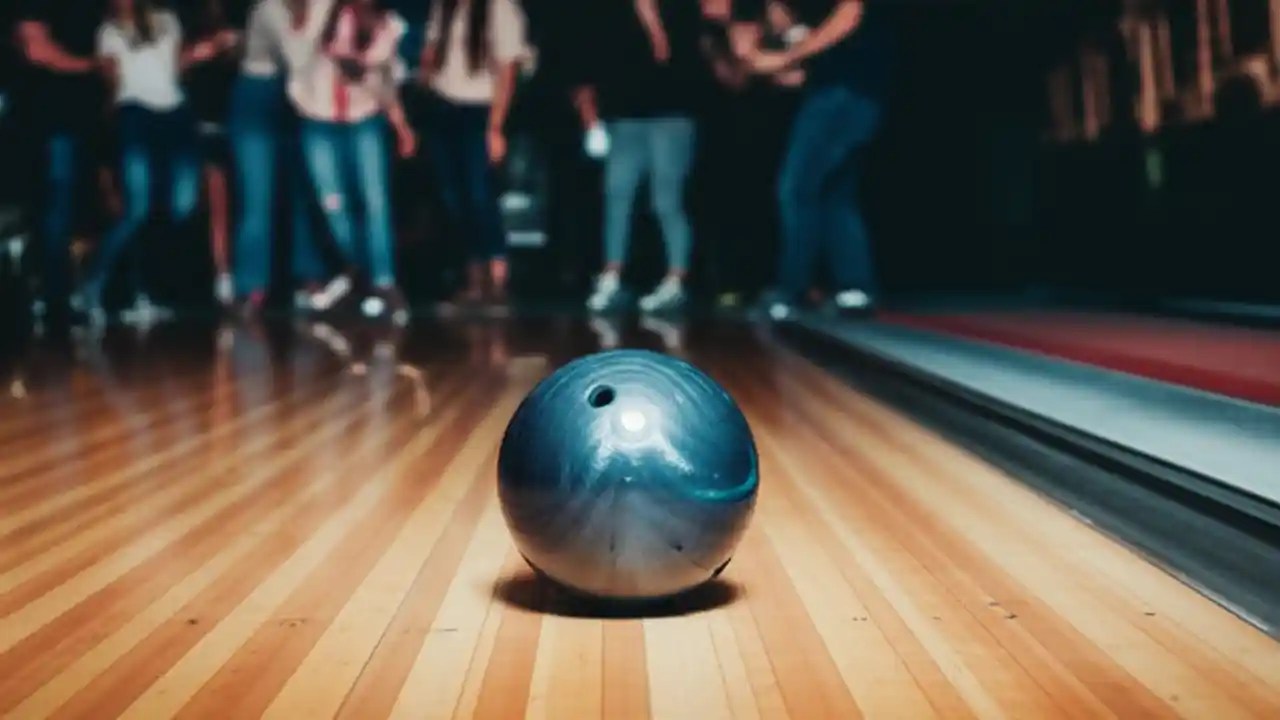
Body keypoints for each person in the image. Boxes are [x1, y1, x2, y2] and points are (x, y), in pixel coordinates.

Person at [78, 0, 238, 323]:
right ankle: (92, 284)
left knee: (183, 204)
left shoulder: (167, 20)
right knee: (136, 209)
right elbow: (111, 82)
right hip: (135, 114)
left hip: (175, 115)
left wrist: (203, 51)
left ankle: (146, 289)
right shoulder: (108, 32)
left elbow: (176, 66)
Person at [733, 0, 893, 320]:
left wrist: (790, 55)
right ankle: (854, 289)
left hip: (844, 94)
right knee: (835, 194)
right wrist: (773, 60)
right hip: (848, 90)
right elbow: (794, 68)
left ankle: (791, 291)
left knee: (796, 189)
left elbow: (850, 14)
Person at [289, 0, 418, 325]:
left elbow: (387, 83)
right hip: (318, 118)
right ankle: (358, 270)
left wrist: (401, 126)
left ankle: (383, 282)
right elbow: (296, 51)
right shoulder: (320, 10)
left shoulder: (389, 25)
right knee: (332, 203)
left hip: (364, 119)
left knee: (375, 202)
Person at [576, 0, 705, 314]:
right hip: (625, 115)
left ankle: (676, 280)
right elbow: (587, 60)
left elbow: (670, 51)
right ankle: (612, 276)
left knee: (666, 199)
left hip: (671, 114)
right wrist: (592, 119)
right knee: (617, 195)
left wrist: (653, 22)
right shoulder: (610, 12)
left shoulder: (680, 9)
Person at [419, 0, 527, 308]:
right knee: (453, 196)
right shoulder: (444, 6)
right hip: (444, 107)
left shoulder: (499, 7)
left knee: (480, 195)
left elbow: (508, 69)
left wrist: (496, 127)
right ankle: (472, 276)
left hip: (479, 110)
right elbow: (431, 50)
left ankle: (495, 277)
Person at [12, 0, 110, 325]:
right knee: (56, 207)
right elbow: (36, 49)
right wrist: (90, 65)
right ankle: (55, 299)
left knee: (74, 209)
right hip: (49, 119)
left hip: (85, 118)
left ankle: (65, 294)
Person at [227, 0, 328, 316]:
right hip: (258, 97)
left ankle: (309, 278)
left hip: (301, 97)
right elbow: (297, 56)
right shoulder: (268, 8)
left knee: (305, 192)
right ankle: (251, 286)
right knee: (258, 197)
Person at [181, 0, 242, 310]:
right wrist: (206, 49)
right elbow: (176, 65)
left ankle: (240, 277)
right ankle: (222, 276)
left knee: (241, 205)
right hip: (201, 127)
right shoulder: (187, 24)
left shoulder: (241, 20)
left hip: (238, 128)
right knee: (215, 204)